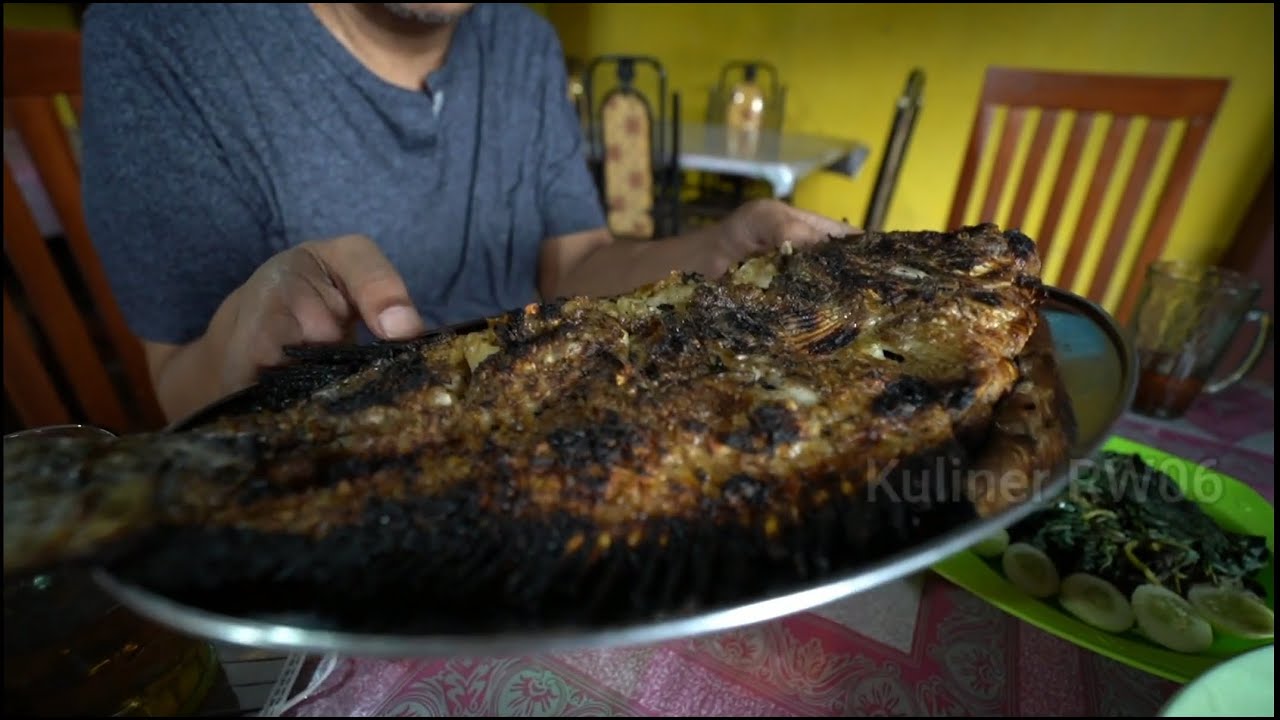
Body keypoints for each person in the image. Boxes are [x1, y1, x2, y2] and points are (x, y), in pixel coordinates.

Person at [80, 3, 856, 423]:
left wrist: (720, 250)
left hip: (548, 435)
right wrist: (245, 338)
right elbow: (178, 385)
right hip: (325, 479)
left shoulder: (524, 39)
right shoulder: (160, 35)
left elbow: (577, 268)